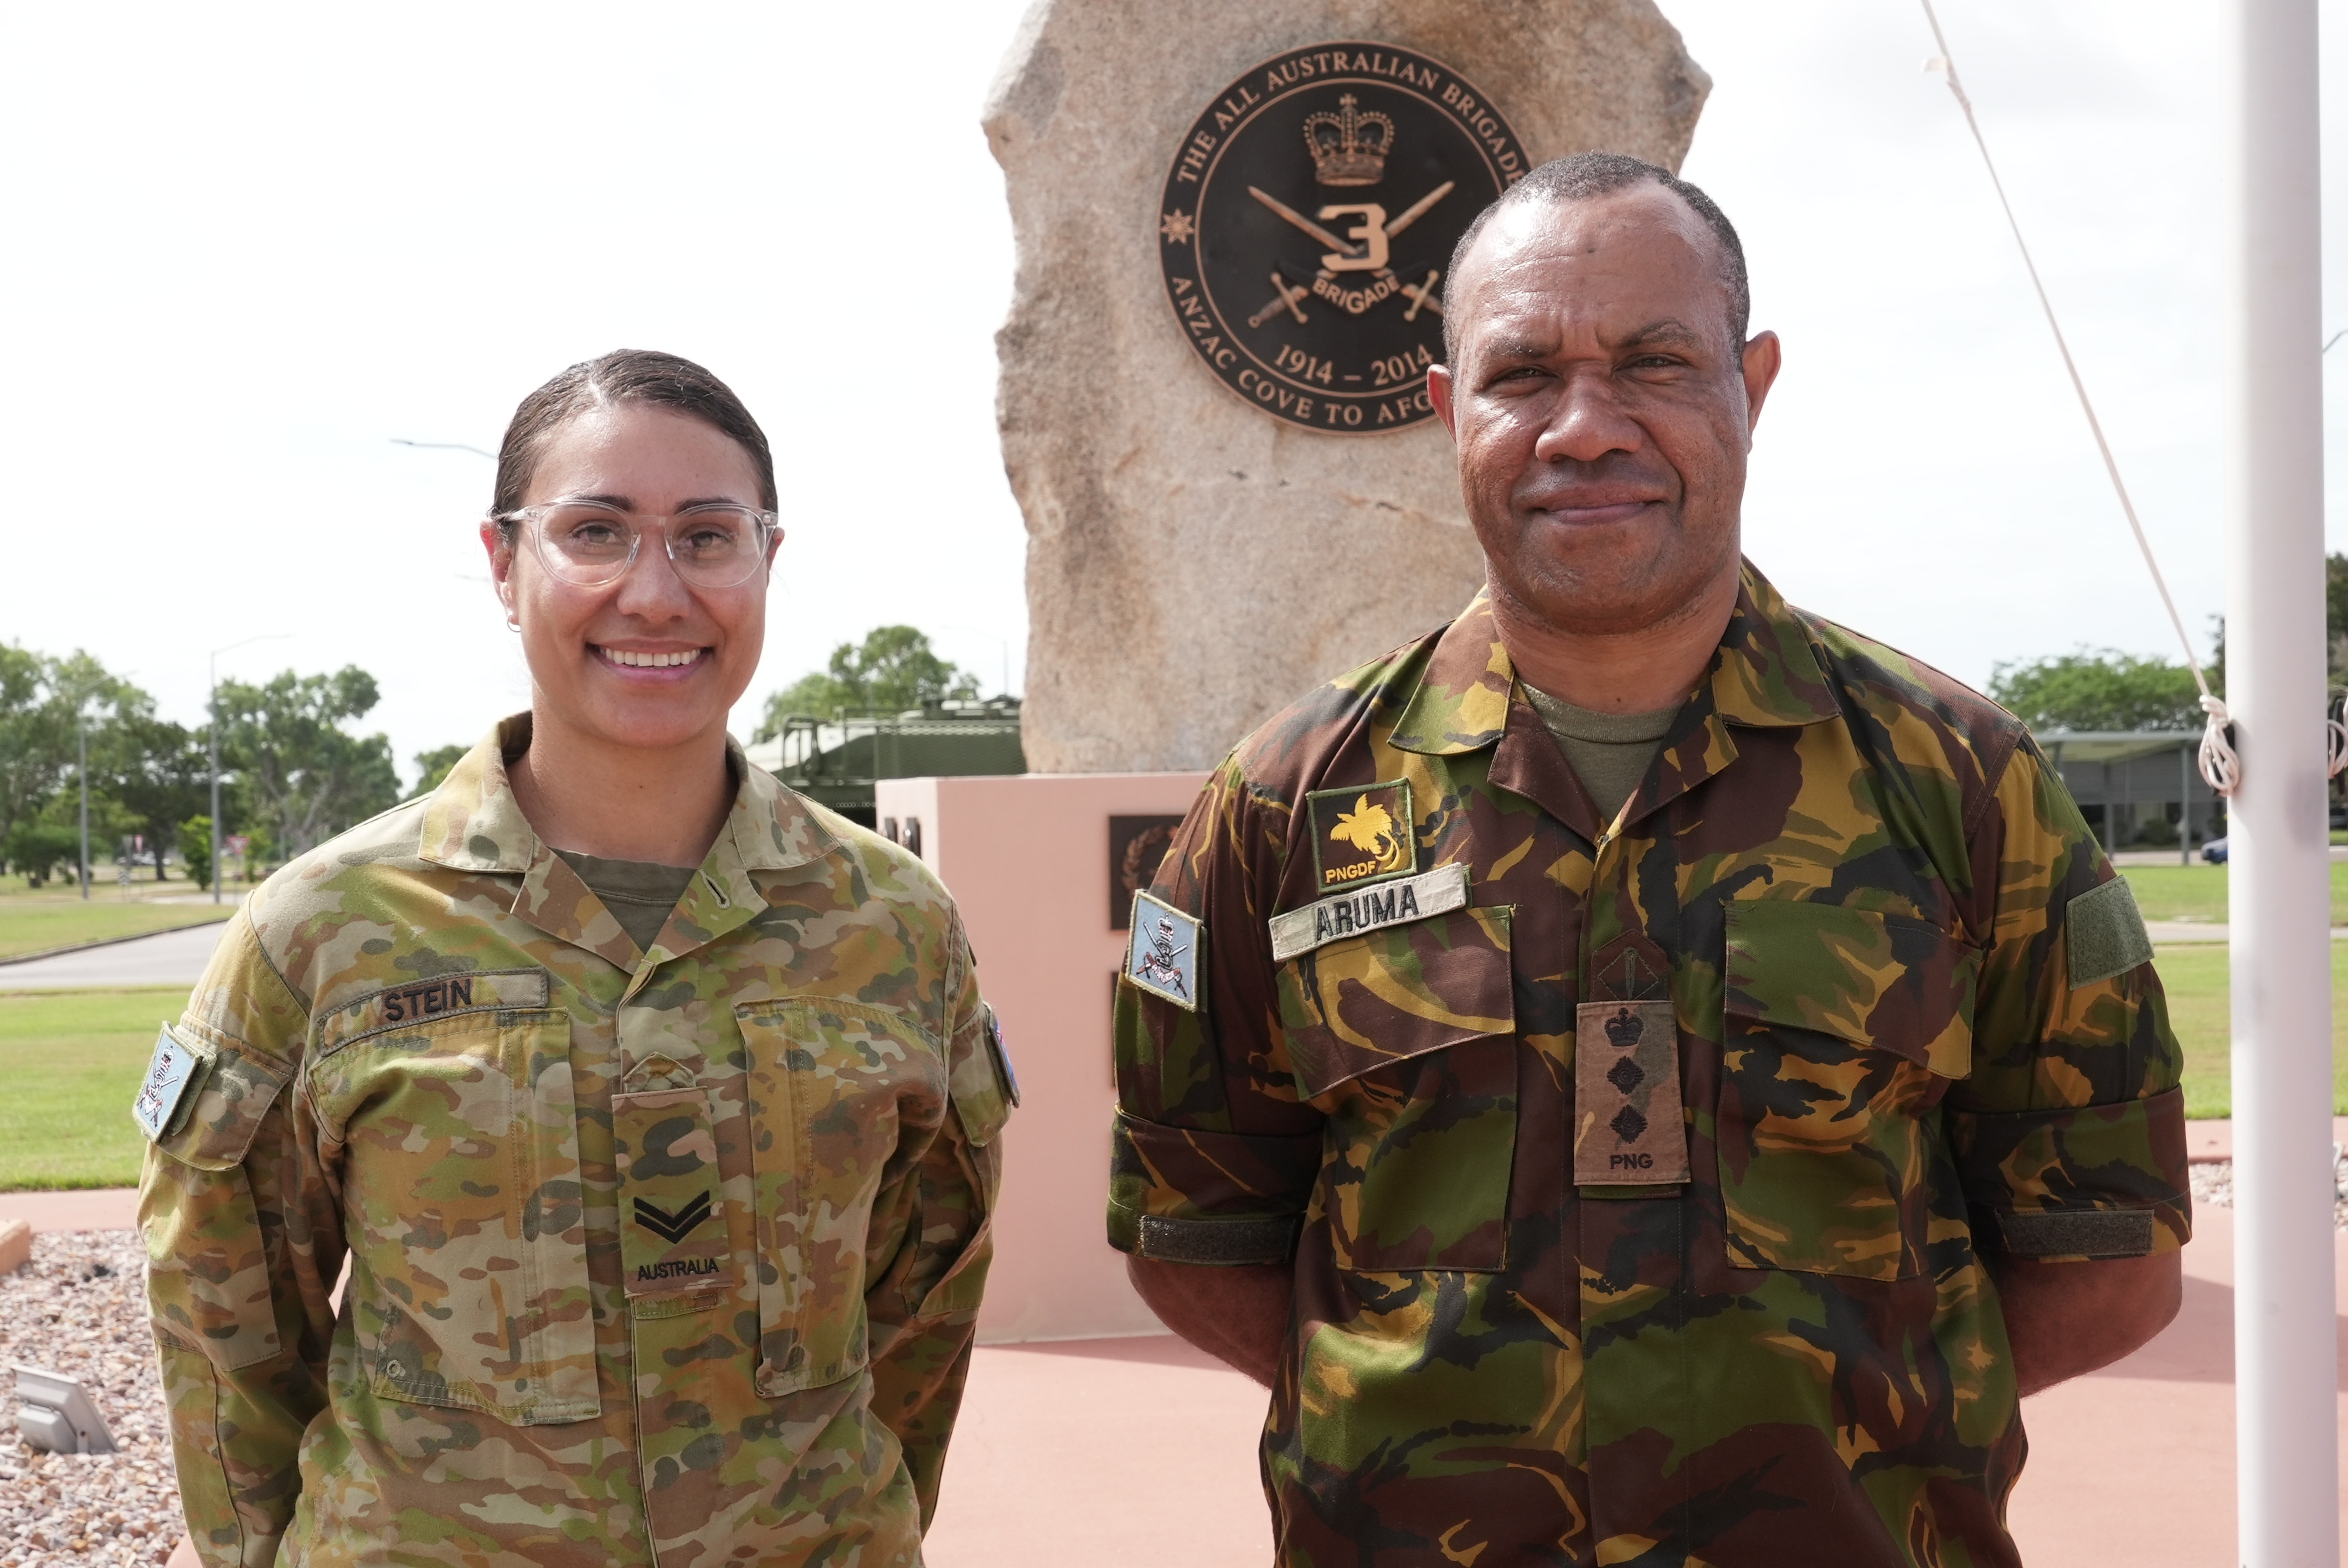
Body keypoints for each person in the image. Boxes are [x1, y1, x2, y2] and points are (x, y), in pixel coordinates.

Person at [1108, 154, 2188, 1566]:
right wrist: (1437, 1436)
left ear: (1753, 384)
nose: (1583, 428)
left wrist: (1836, 1432)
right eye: (1521, 376)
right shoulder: (1280, 803)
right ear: (1447, 412)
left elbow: (2105, 1255)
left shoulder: (1961, 781)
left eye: (1653, 363)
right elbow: (1195, 1237)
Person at [141, 349, 1013, 1567]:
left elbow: (924, 1304)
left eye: (708, 536)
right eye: (594, 531)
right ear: (503, 564)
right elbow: (225, 1314)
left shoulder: (894, 928)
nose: (653, 593)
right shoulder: (323, 932)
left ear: (768, 557)